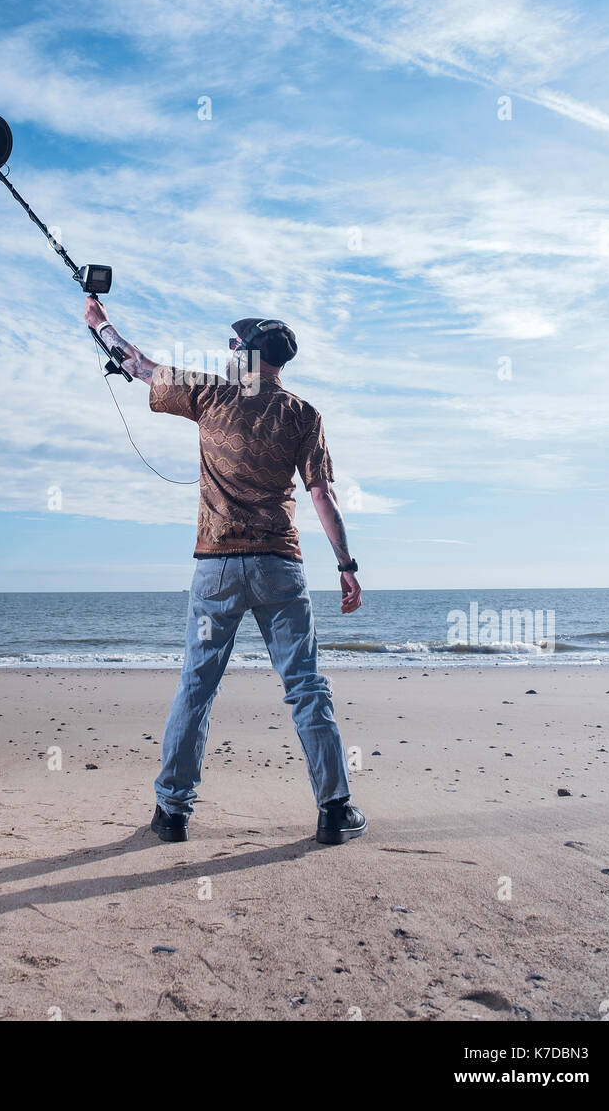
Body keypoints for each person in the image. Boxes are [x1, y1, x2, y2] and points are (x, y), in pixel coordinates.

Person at [83, 300, 366, 846]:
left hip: (215, 567)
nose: (229, 352)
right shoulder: (303, 415)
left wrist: (99, 322)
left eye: (236, 347)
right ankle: (334, 811)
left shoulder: (211, 393)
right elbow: (321, 495)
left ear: (251, 355)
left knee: (197, 685)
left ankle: (172, 814)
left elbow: (136, 363)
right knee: (306, 687)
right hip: (280, 566)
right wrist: (346, 565)